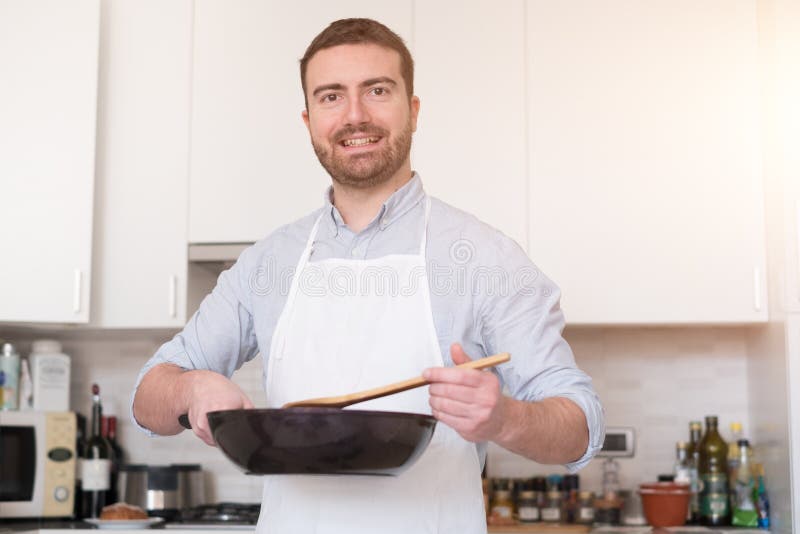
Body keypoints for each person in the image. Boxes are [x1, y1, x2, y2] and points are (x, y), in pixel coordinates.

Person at [132, 17, 604, 534]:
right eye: (332, 97)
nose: (355, 116)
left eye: (377, 90)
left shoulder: (487, 260)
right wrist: (192, 387)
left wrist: (506, 419)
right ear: (309, 119)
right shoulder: (267, 263)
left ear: (414, 110)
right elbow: (149, 395)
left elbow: (581, 424)